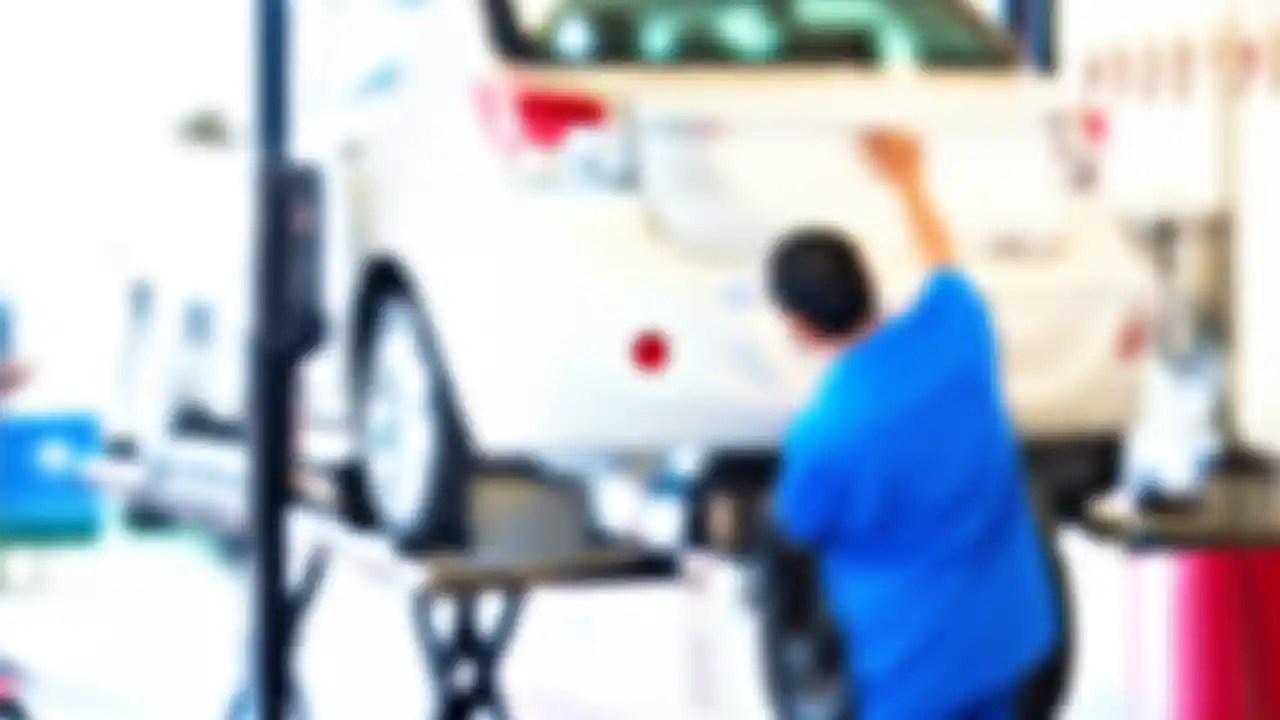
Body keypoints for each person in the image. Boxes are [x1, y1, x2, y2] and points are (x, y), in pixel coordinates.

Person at [767, 130, 1058, 720]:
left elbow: (794, 532)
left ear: (797, 326)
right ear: (871, 282)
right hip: (1005, 635)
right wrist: (908, 180)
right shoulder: (958, 329)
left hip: (911, 669)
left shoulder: (825, 433)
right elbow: (942, 258)